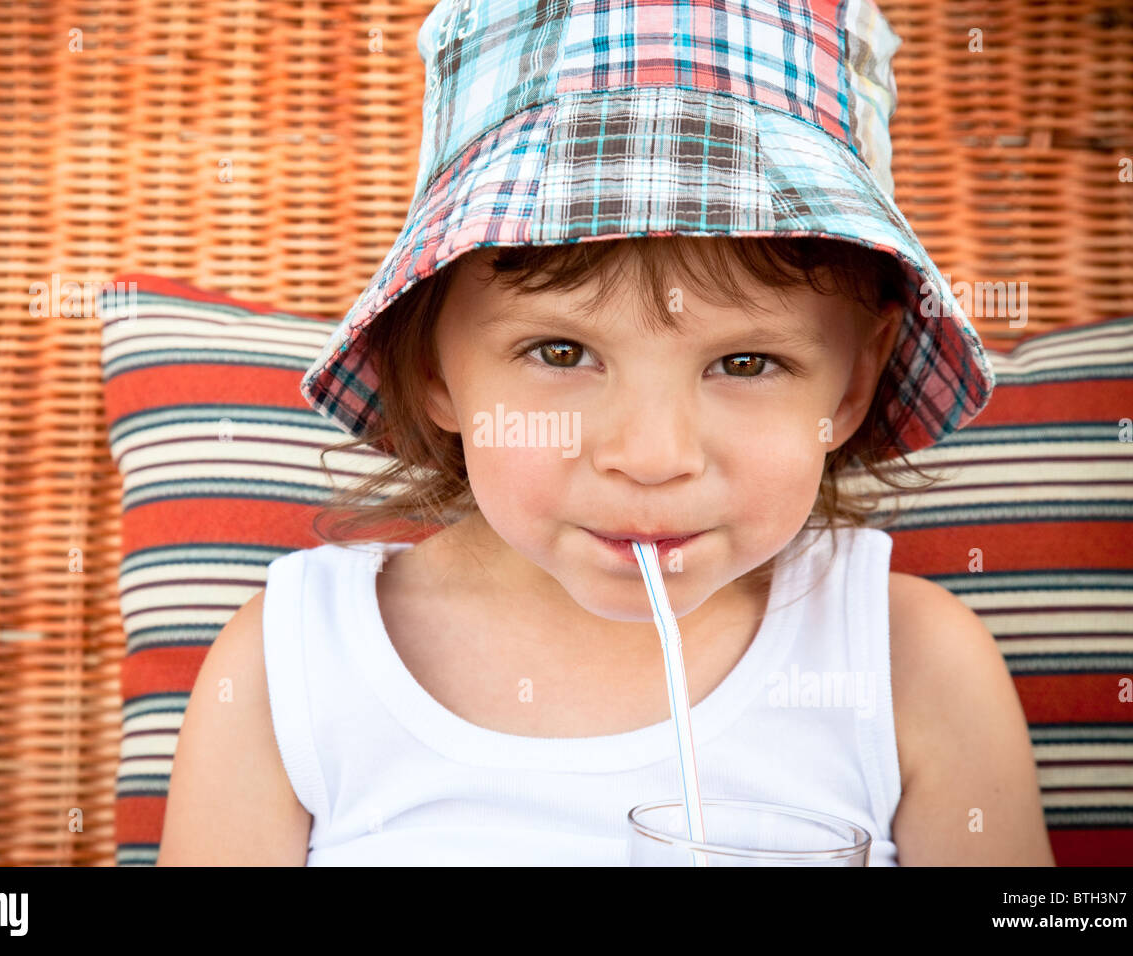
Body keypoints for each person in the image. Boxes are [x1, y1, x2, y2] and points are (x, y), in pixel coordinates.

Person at [158, 0, 1055, 866]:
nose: (654, 456)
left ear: (853, 383)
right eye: (560, 350)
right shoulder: (294, 670)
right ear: (434, 369)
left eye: (745, 364)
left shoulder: (910, 669)